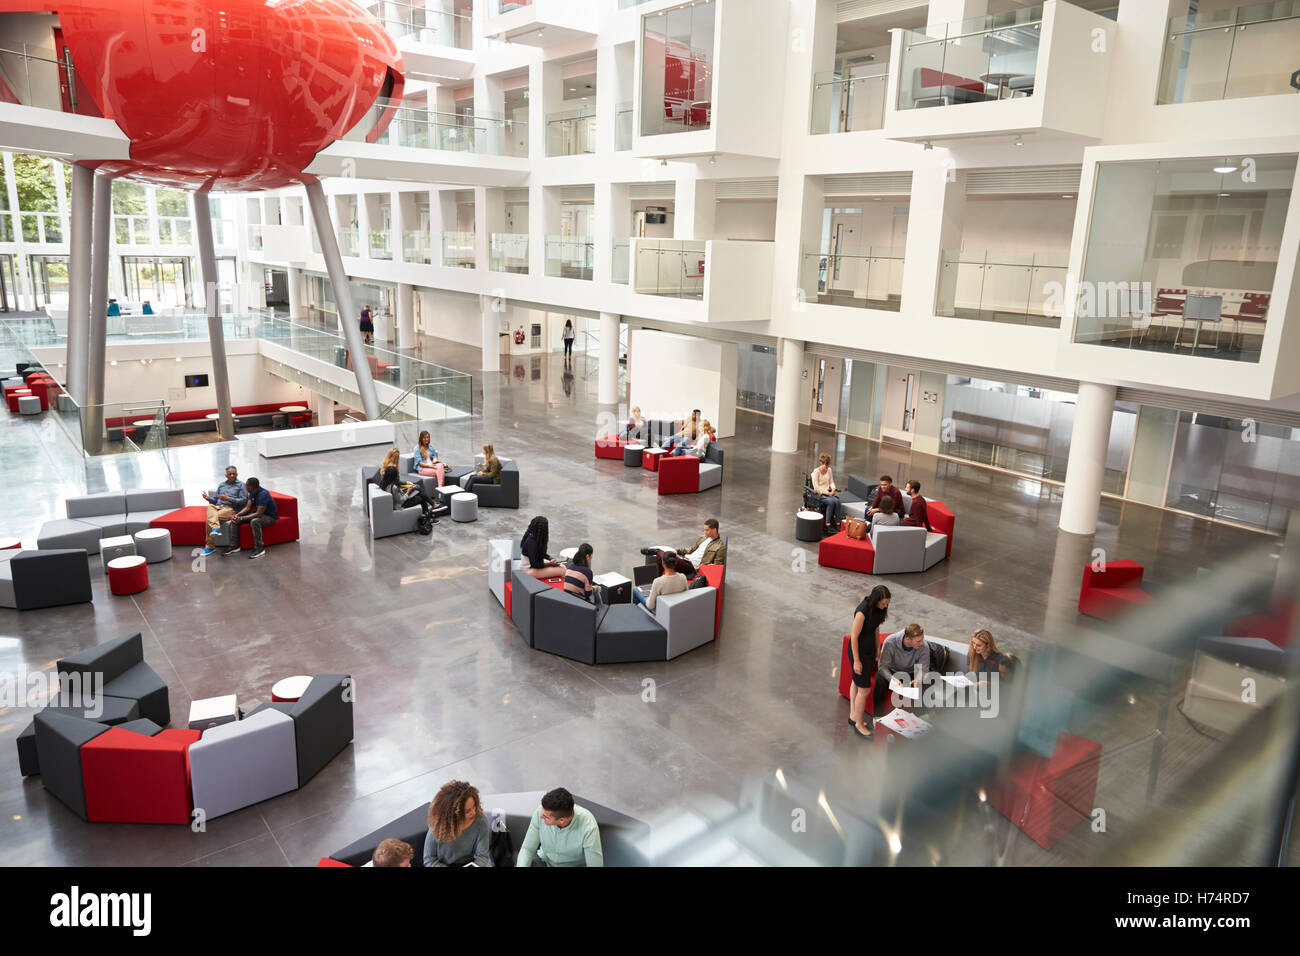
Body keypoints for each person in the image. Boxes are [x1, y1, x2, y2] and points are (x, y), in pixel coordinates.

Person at [516, 787, 603, 867]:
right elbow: (527, 849)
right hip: (544, 861)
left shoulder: (588, 825)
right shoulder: (540, 812)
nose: (541, 816)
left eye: (546, 817)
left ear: (561, 820)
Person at [847, 585, 891, 739]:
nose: (885, 606)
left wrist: (878, 649)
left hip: (869, 651)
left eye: (887, 604)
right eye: (883, 603)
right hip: (858, 652)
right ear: (876, 600)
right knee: (864, 689)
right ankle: (859, 724)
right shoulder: (862, 611)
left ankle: (853, 716)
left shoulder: (878, 609)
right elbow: (854, 637)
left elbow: (876, 628)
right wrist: (857, 661)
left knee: (856, 682)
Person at [423, 780, 492, 867]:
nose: (474, 812)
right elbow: (429, 860)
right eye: (467, 811)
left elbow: (482, 857)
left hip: (473, 864)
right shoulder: (438, 828)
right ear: (453, 814)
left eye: (474, 807)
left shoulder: (480, 820)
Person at [874, 622, 931, 716]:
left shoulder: (924, 646)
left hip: (911, 673)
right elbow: (882, 667)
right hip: (893, 671)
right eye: (918, 641)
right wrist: (892, 679)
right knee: (879, 680)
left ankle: (919, 717)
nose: (922, 643)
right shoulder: (890, 642)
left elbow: (923, 669)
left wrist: (917, 680)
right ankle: (877, 716)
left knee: (926, 681)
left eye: (922, 639)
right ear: (908, 639)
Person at [223, 477, 277, 559]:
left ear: (252, 486)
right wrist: (238, 515)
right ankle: (234, 546)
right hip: (258, 513)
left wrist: (241, 519)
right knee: (235, 520)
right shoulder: (251, 492)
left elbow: (259, 514)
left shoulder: (263, 494)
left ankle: (259, 548)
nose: (245, 486)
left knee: (255, 521)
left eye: (247, 485)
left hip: (269, 517)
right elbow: (247, 508)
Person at [200, 465, 247, 556]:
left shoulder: (241, 485)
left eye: (234, 474)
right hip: (218, 507)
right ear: (226, 475)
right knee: (210, 507)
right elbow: (216, 500)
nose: (232, 475)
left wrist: (229, 499)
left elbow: (244, 500)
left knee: (209, 520)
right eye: (230, 474)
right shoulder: (222, 485)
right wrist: (208, 498)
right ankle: (215, 529)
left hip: (231, 509)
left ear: (237, 474)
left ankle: (209, 547)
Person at [520, 515, 562, 580]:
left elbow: (540, 553)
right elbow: (535, 564)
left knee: (561, 565)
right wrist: (550, 564)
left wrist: (550, 558)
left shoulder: (535, 538)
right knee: (562, 569)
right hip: (528, 570)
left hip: (532, 566)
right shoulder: (531, 542)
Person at [810, 453, 841, 533]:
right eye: (825, 465)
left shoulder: (829, 470)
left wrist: (833, 489)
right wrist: (828, 493)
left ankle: (837, 523)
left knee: (837, 501)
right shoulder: (816, 472)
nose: (826, 468)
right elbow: (816, 488)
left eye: (827, 466)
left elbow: (831, 482)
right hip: (819, 494)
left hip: (828, 493)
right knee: (831, 502)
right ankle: (827, 524)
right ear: (821, 463)